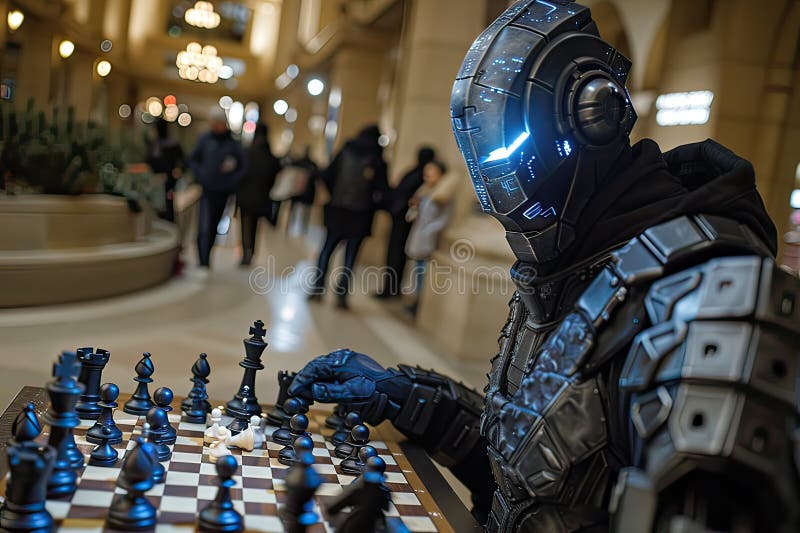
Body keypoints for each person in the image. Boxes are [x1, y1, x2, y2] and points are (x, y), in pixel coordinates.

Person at [289, 2, 800, 532]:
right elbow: (534, 473)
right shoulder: (586, 253)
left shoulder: (714, 301)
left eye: (508, 153)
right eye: (484, 160)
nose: (497, 191)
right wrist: (411, 398)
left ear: (593, 116)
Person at [309, 125, 388, 309]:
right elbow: (382, 190)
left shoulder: (346, 151)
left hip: (338, 209)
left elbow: (328, 175)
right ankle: (342, 295)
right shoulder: (377, 159)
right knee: (350, 256)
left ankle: (317, 288)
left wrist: (334, 195)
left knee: (327, 249)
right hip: (361, 214)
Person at [375, 146, 436, 299]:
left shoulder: (419, 174)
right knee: (396, 254)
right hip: (401, 219)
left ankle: (392, 288)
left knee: (396, 254)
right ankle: (391, 287)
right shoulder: (416, 173)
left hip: (404, 221)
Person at [189, 109, 245, 268]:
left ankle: (208, 256)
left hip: (224, 191)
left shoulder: (232, 143)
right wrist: (201, 174)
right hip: (207, 189)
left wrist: (232, 180)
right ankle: (202, 260)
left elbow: (242, 166)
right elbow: (193, 159)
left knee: (214, 226)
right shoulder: (205, 140)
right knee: (204, 225)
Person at [404, 161, 455, 315]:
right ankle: (415, 300)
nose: (427, 176)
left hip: (429, 240)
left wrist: (429, 231)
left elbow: (444, 219)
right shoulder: (425, 191)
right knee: (417, 271)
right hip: (420, 236)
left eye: (431, 172)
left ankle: (419, 303)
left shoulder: (443, 195)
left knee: (423, 273)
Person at [235, 122, 281, 266]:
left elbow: (239, 174)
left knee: (246, 225)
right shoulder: (270, 155)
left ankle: (246, 253)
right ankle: (252, 252)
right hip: (262, 196)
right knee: (255, 226)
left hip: (245, 196)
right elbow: (275, 174)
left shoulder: (247, 152)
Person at [146, 119, 184, 222]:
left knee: (168, 199)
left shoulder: (172, 144)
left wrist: (177, 170)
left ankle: (169, 220)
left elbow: (180, 161)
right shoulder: (154, 144)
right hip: (156, 179)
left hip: (169, 180)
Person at [287, 146, 319, 237]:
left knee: (294, 209)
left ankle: (291, 225)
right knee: (306, 212)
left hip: (297, 192)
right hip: (308, 193)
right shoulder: (313, 165)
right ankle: (303, 229)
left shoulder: (299, 163)